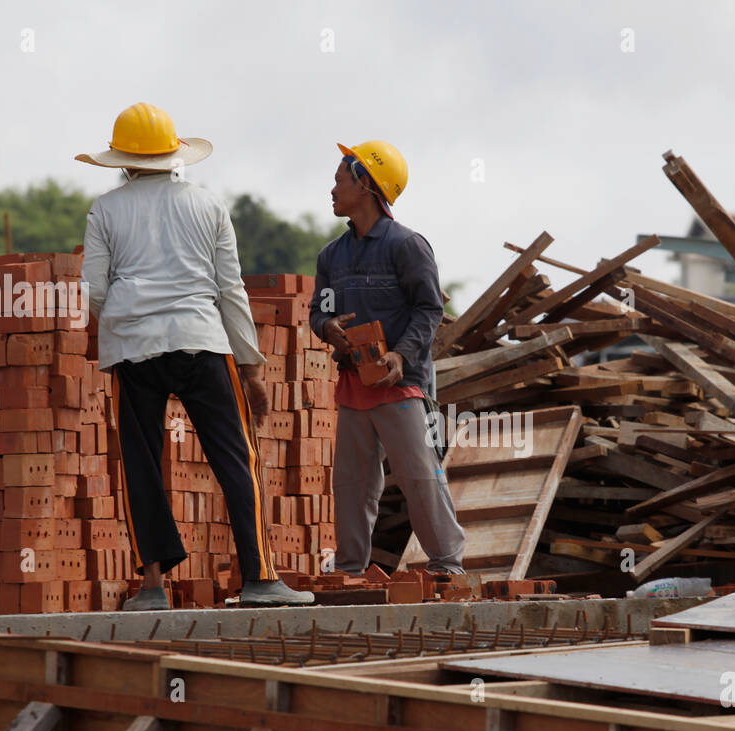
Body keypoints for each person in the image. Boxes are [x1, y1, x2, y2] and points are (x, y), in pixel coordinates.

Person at [77, 102, 313, 609]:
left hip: (134, 349)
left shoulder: (105, 209)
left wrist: (121, 321)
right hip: (201, 340)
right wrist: (250, 367)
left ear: (122, 161)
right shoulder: (208, 205)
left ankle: (152, 587)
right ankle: (260, 578)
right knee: (236, 457)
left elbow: (93, 290)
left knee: (140, 463)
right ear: (173, 154)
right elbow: (231, 290)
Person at [309, 140, 465, 575]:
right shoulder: (331, 256)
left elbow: (429, 309)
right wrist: (327, 328)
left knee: (419, 477)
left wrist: (400, 354)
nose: (333, 189)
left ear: (365, 183)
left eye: (340, 180)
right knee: (352, 486)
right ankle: (350, 570)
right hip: (354, 385)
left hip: (402, 386)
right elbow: (318, 310)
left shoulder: (407, 246)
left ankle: (446, 565)